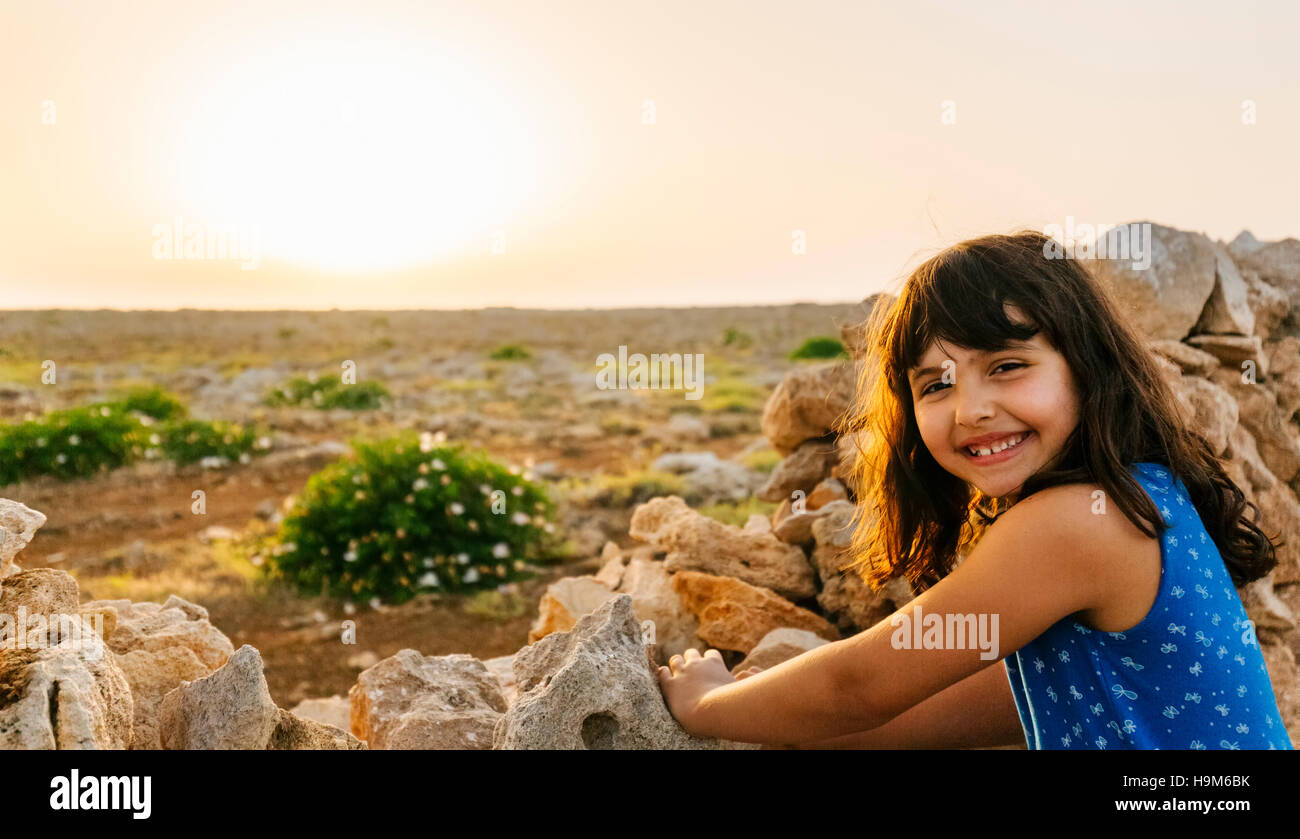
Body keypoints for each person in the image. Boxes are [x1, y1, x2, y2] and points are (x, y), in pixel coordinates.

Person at [656, 229, 1294, 750]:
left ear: (1088, 365)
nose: (971, 409)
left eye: (1007, 366)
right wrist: (812, 726)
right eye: (936, 384)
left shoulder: (1075, 524)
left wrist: (707, 702)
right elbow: (998, 703)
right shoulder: (1140, 493)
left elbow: (857, 688)